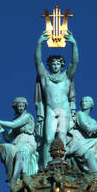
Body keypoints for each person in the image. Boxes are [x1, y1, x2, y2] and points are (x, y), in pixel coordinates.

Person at [34, 30, 78, 164]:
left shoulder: (66, 77)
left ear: (61, 65)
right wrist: (39, 44)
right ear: (50, 65)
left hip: (63, 110)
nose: (55, 65)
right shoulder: (45, 78)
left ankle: (62, 167)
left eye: (58, 63)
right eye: (53, 63)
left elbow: (74, 63)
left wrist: (74, 45)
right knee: (48, 140)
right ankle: (47, 166)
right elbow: (37, 62)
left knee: (62, 139)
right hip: (51, 111)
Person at [0, 98, 38, 189]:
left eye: (22, 106)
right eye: (19, 106)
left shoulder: (27, 116)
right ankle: (12, 176)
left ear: (25, 106)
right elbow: (8, 138)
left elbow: (13, 125)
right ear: (15, 107)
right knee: (6, 149)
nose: (21, 108)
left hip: (28, 141)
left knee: (20, 153)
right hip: (17, 142)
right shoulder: (15, 120)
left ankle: (20, 177)